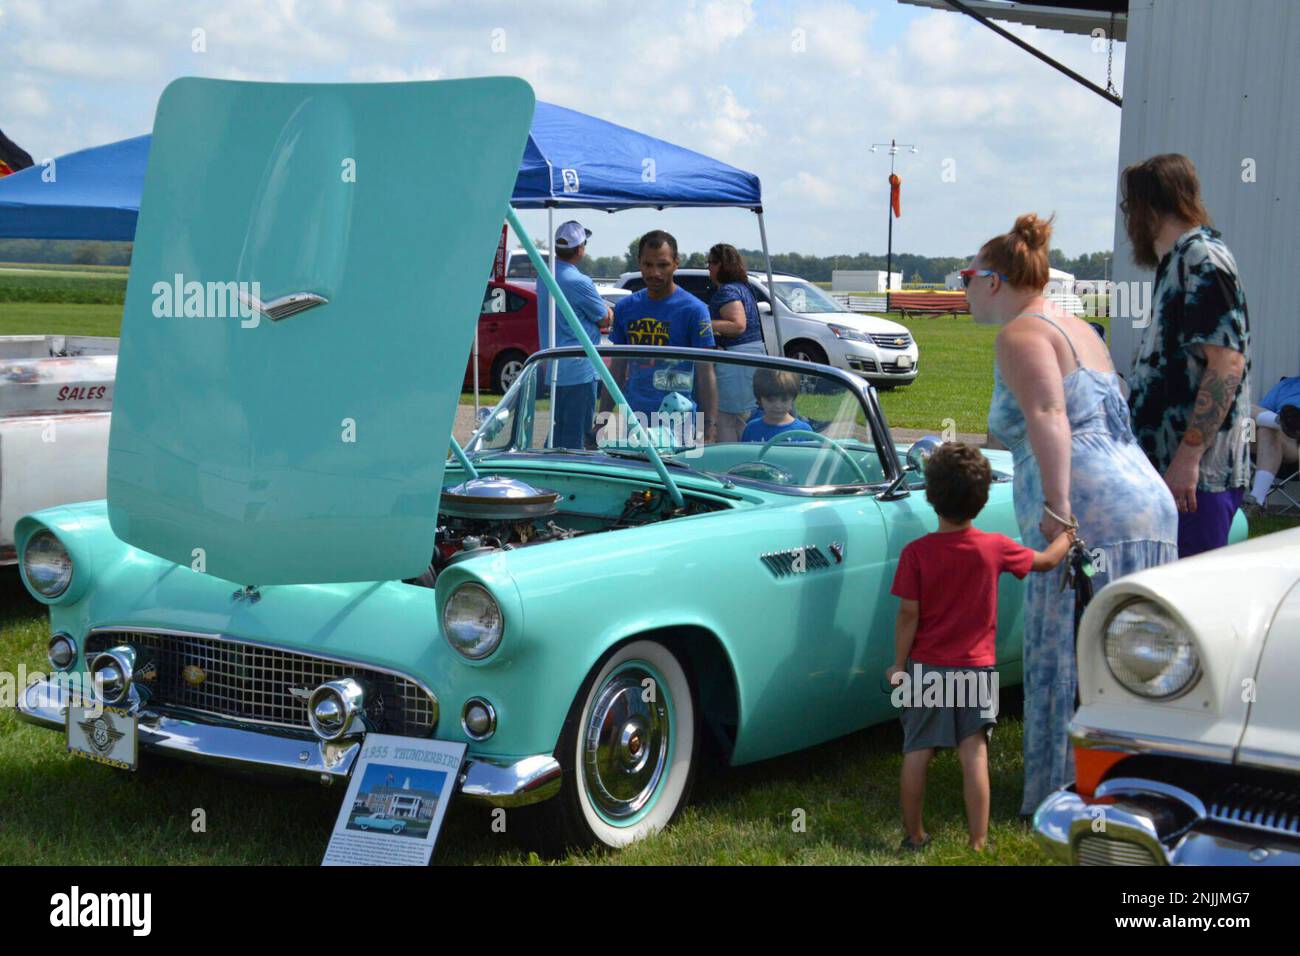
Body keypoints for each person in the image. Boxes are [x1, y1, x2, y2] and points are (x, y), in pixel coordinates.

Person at [973, 212, 1178, 817]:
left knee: (1071, 657)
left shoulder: (1021, 334)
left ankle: (1068, 800)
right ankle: (1138, 787)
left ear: (992, 279)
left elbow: (1048, 417)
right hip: (1144, 503)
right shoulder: (1078, 329)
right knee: (1138, 659)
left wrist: (1059, 514)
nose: (962, 291)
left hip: (1093, 514)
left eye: (965, 276)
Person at [888, 442, 1072, 852]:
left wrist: (898, 664)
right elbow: (1044, 562)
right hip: (975, 669)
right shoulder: (994, 547)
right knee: (974, 755)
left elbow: (908, 616)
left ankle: (914, 836)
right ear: (983, 498)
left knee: (917, 750)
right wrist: (1068, 536)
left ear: (929, 494)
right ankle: (978, 841)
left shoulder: (915, 554)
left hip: (926, 670)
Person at [1121, 153, 1253, 556]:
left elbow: (1227, 362)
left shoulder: (1201, 260)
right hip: (1171, 472)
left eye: (1130, 208)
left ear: (1149, 208)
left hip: (1196, 480)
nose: (1128, 222)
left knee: (1189, 606)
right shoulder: (1177, 261)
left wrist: (1188, 458)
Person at [609, 230, 718, 442]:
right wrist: (602, 420)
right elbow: (617, 369)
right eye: (648, 265)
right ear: (639, 263)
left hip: (680, 421)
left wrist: (709, 427)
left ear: (676, 263)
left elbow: (706, 373)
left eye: (662, 265)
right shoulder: (625, 308)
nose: (655, 273)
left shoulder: (695, 310)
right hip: (635, 418)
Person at [534, 220, 613, 449]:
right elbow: (604, 318)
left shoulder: (545, 276)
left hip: (555, 368)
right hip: (580, 370)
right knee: (576, 437)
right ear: (579, 249)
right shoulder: (580, 281)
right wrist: (608, 310)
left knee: (558, 430)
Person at [707, 243, 765, 441]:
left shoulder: (728, 291)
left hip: (737, 360)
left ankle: (729, 459)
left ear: (724, 265)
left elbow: (738, 325)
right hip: (751, 356)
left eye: (713, 263)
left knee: (727, 417)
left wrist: (705, 323)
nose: (709, 267)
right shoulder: (743, 287)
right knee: (743, 416)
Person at [1246, 377, 1300, 511]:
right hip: (1263, 443)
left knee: (1267, 430)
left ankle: (1256, 501)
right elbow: (1257, 414)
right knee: (1241, 407)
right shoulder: (1286, 385)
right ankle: (1280, 421)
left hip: (1295, 445)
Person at [741, 369, 812, 442]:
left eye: (784, 400)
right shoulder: (751, 429)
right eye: (771, 400)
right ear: (759, 398)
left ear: (793, 399)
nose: (778, 406)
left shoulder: (804, 431)